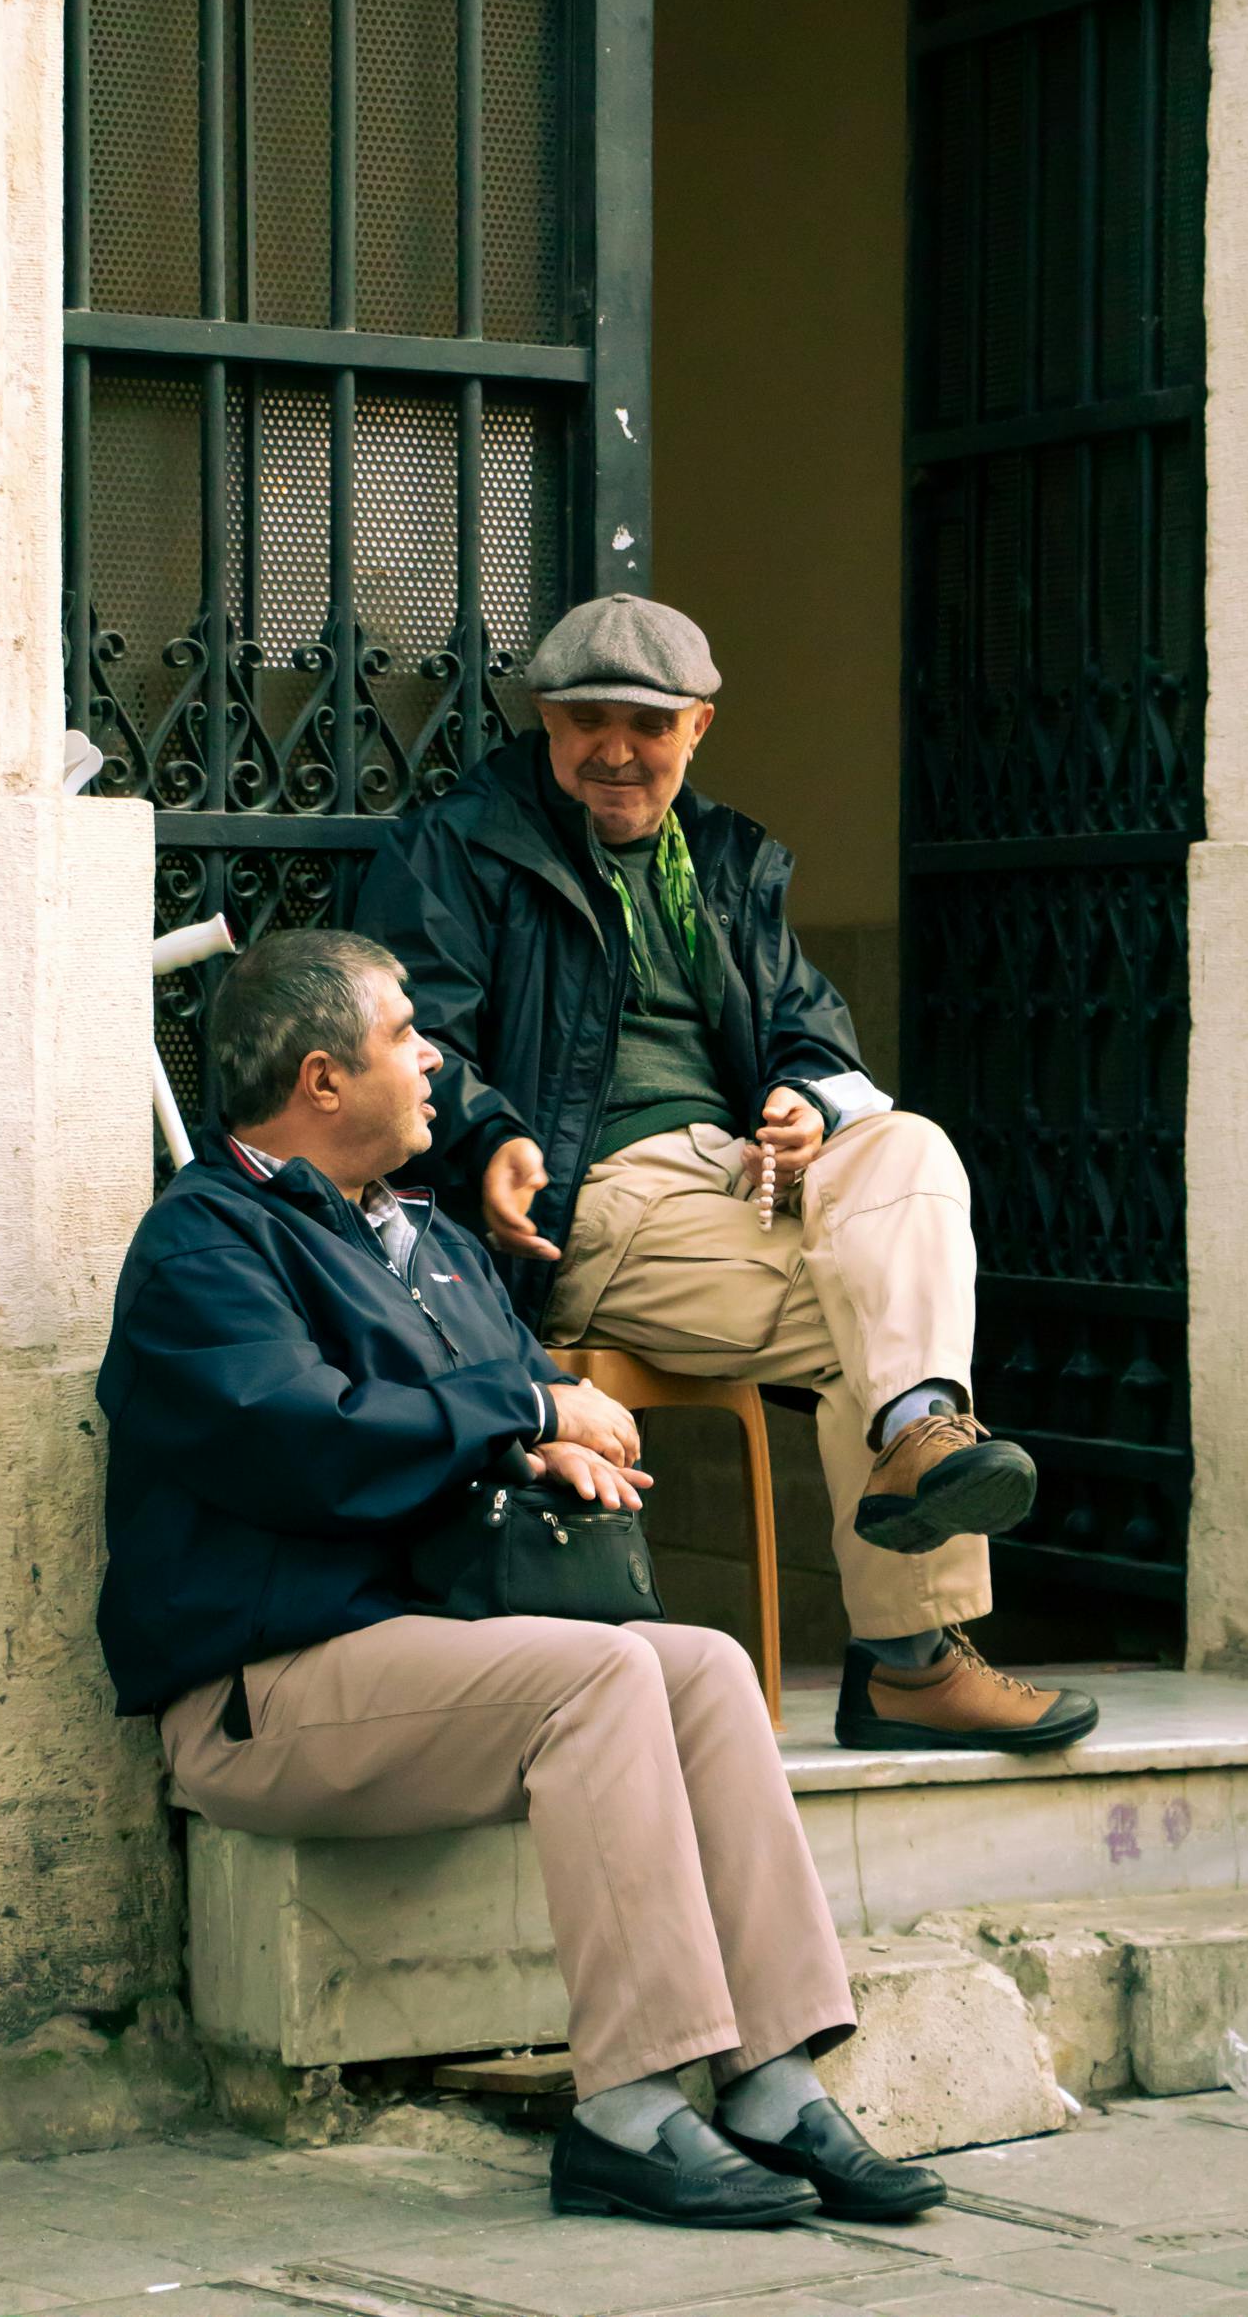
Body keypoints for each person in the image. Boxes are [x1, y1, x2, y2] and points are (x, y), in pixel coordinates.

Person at [94, 927, 947, 2229]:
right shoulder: (203, 1243)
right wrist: (518, 1406)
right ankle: (627, 2107)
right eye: (402, 1036)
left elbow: (492, 1418)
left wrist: (549, 1439)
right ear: (323, 1079)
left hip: (429, 1654)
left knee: (705, 1665)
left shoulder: (428, 1239)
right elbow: (303, 1437)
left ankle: (772, 2075)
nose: (433, 1056)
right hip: (263, 1688)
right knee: (603, 1676)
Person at [356, 596, 1099, 1754]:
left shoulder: (732, 861)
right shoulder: (458, 845)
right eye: (585, 720)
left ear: (695, 727)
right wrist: (487, 1135)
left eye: (645, 724)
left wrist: (804, 1097)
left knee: (910, 1147)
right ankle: (909, 1656)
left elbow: (812, 1027)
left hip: (743, 1184)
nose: (614, 749)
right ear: (545, 721)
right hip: (585, 1195)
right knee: (883, 1310)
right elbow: (414, 1037)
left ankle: (918, 1425)